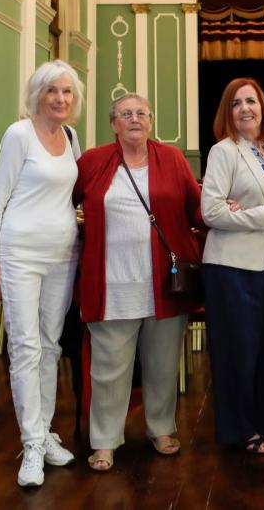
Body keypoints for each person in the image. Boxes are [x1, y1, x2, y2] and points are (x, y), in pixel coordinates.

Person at [73, 94, 203, 471]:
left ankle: (161, 429)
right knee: (109, 367)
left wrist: (232, 214)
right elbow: (64, 201)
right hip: (110, 284)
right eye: (125, 114)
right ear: (113, 123)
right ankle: (104, 441)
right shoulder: (94, 161)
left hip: (165, 283)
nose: (134, 119)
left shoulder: (172, 159)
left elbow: (196, 207)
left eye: (141, 113)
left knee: (162, 364)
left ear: (151, 121)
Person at [0, 60, 84, 488]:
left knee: (49, 345)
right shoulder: (19, 134)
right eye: (52, 91)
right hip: (19, 253)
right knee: (24, 348)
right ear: (37, 94)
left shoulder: (72, 136)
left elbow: (75, 197)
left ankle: (44, 433)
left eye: (67, 92)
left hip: (63, 254)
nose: (60, 99)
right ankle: (31, 445)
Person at [200, 78, 264, 454]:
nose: (245, 109)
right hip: (231, 267)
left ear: (262, 107)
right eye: (236, 103)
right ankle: (239, 429)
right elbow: (212, 212)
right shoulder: (223, 151)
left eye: (251, 101)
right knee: (237, 352)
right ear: (228, 111)